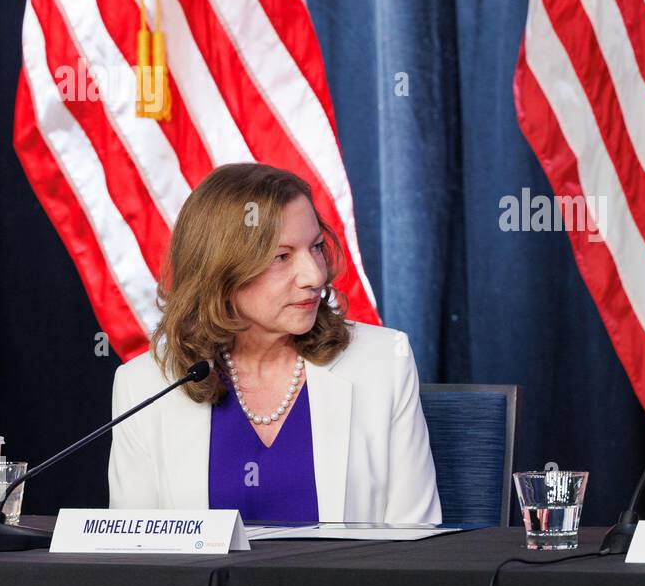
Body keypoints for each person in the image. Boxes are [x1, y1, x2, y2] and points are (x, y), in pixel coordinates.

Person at [108, 163, 442, 524]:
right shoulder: (143, 385)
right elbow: (134, 558)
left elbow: (414, 542)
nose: (315, 275)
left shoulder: (384, 361)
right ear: (220, 272)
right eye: (282, 257)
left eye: (315, 247)